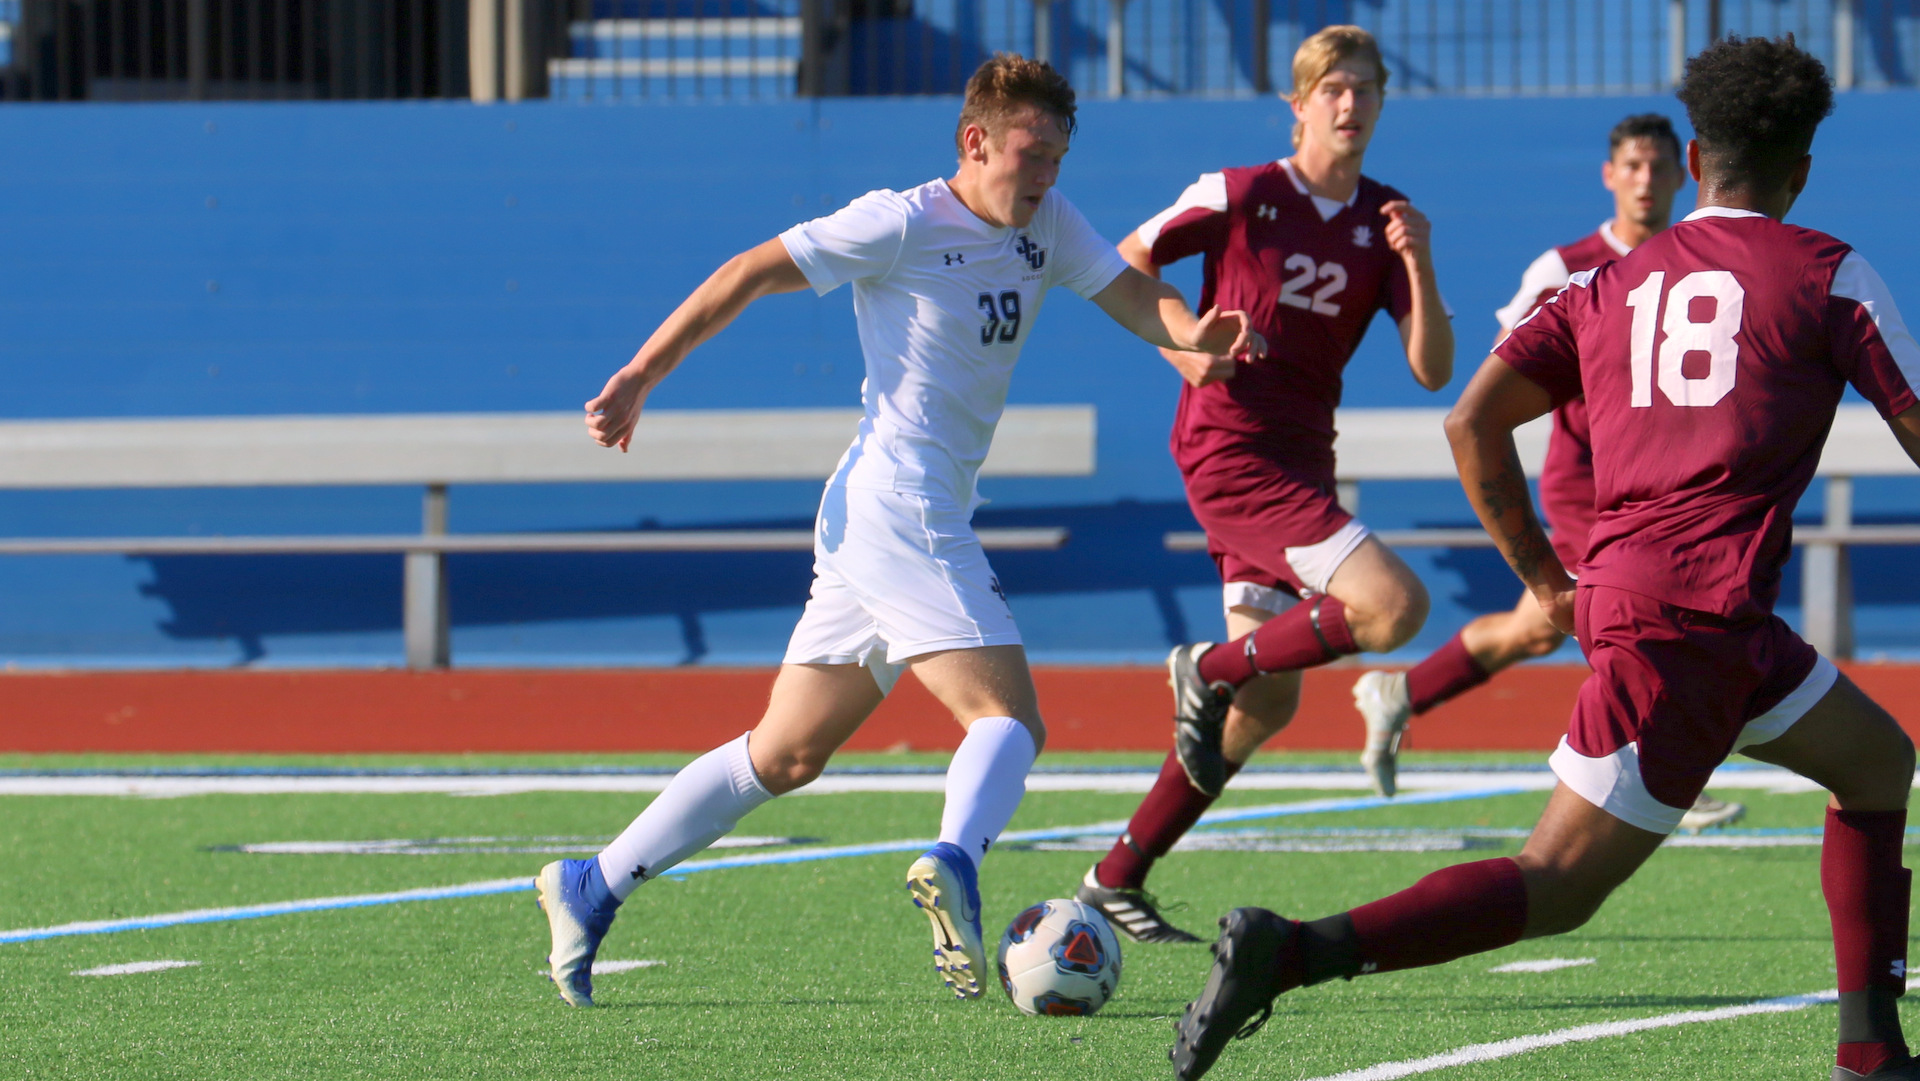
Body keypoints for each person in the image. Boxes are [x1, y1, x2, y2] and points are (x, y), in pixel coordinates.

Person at [1171, 35, 1920, 1081]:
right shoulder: (1829, 270)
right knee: (1557, 883)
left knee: (1878, 759)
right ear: (1800, 170)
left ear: (1694, 162)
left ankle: (1872, 1049)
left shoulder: (1602, 282)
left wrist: (1541, 577)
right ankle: (1288, 951)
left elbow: (1471, 421)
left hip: (1695, 617)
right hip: (1688, 628)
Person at [532, 54, 1264, 1009]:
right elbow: (747, 273)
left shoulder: (1046, 219)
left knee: (785, 754)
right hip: (899, 503)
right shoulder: (903, 220)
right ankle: (954, 860)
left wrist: (1190, 332)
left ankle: (591, 882)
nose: (1045, 175)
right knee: (1009, 719)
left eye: (1056, 157)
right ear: (975, 142)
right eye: (1029, 154)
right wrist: (640, 375)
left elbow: (1130, 293)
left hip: (887, 516)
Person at [1072, 25, 1454, 944]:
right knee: (1395, 607)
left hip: (1302, 458)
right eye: (1333, 87)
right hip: (1231, 451)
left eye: (1366, 88)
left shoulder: (1388, 217)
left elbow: (1433, 370)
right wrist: (1180, 348)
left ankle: (1114, 873)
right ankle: (1201, 669)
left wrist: (1419, 259)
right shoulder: (1244, 192)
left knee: (1268, 700)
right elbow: (1121, 259)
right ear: (1300, 104)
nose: (1350, 103)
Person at [1349, 113, 1746, 832]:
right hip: (1592, 485)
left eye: (1659, 166)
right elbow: (1508, 368)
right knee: (1645, 619)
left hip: (1670, 485)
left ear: (1684, 172)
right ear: (1610, 174)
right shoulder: (1567, 266)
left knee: (1538, 627)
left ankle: (1399, 694)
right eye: (1633, 165)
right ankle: (1660, 769)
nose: (1647, 180)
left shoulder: (1700, 261)